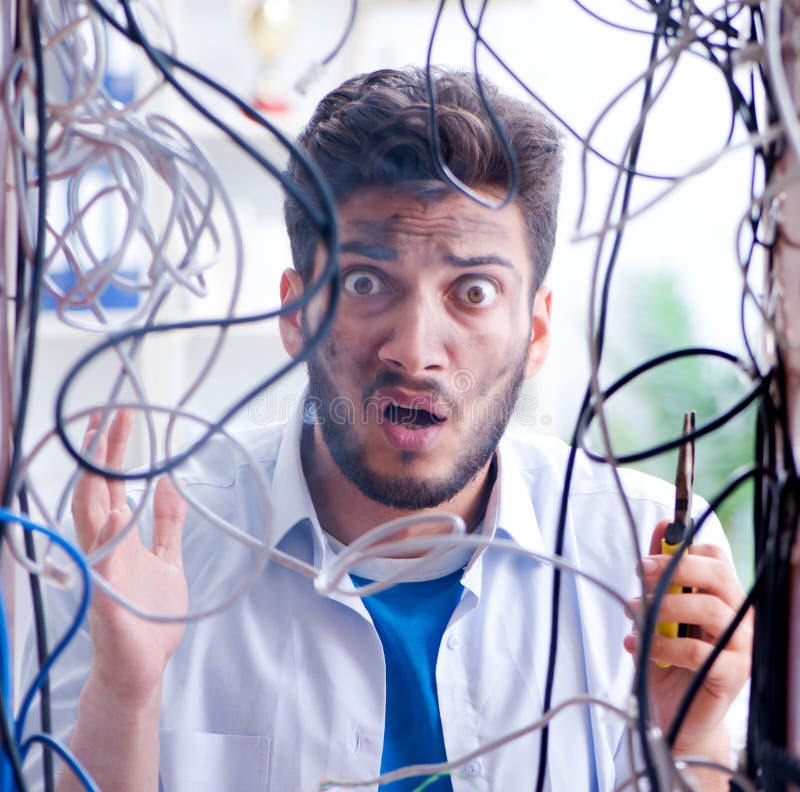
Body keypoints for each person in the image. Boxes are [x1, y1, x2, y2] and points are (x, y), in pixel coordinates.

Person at [23, 67, 751, 792]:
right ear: (295, 313)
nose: (414, 347)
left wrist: (692, 743)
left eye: (473, 292)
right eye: (367, 283)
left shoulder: (649, 554)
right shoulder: (134, 562)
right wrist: (125, 697)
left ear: (535, 331)